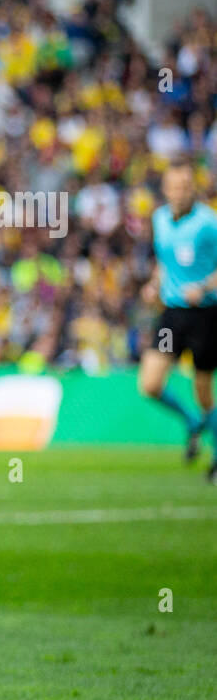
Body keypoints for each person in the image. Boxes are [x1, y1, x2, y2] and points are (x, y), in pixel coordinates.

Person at [138, 160, 217, 479]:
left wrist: (204, 287)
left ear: (193, 188)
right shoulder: (159, 219)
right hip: (172, 315)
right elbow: (164, 260)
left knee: (203, 389)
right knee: (150, 384)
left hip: (205, 315)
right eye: (175, 186)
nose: (181, 191)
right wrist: (154, 283)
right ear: (166, 189)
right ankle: (191, 422)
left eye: (186, 186)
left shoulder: (208, 223)